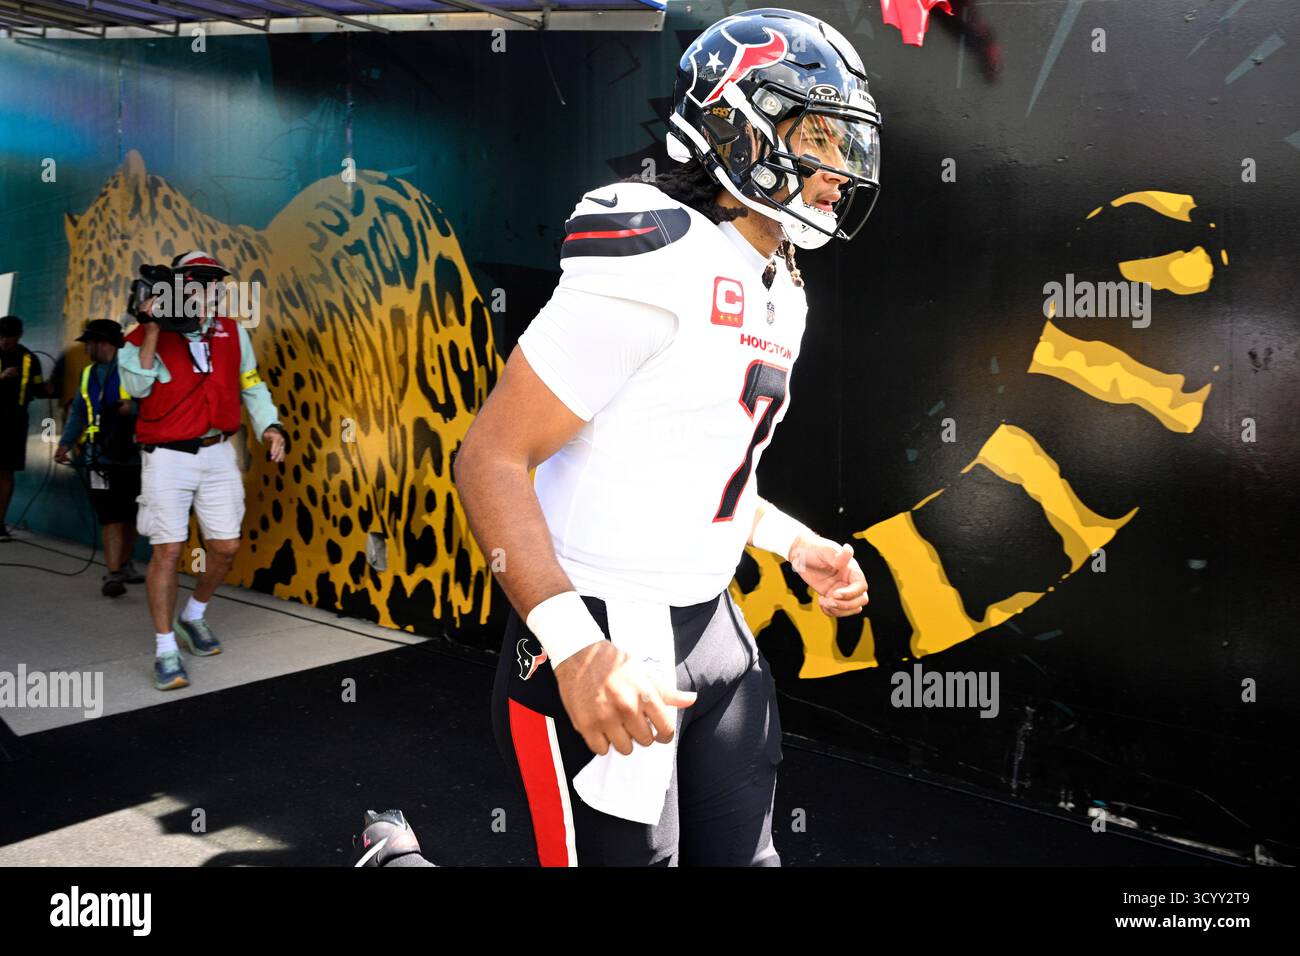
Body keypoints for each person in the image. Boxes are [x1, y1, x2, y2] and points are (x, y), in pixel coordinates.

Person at [455, 8, 882, 866]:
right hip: (604, 627)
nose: (842, 165)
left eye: (848, 140)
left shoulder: (780, 285)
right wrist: (575, 651)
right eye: (820, 135)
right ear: (736, 121)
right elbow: (490, 459)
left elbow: (690, 463)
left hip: (715, 631)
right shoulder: (655, 253)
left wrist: (794, 543)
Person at [117, 250, 288, 691]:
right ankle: (165, 649)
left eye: (214, 281)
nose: (207, 287)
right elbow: (135, 386)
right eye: (196, 279)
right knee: (168, 552)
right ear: (178, 285)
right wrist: (152, 328)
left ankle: (194, 615)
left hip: (217, 452)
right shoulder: (141, 333)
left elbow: (250, 382)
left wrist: (269, 424)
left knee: (226, 546)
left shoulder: (232, 331)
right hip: (166, 456)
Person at [55, 319, 146, 597]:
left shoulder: (133, 369)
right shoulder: (87, 375)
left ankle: (125, 564)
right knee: (110, 516)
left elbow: (157, 402)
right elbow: (78, 414)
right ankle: (113, 573)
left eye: (89, 343)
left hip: (133, 455)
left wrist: (133, 408)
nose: (86, 348)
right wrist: (65, 443)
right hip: (99, 457)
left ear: (102, 343)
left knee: (131, 515)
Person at [0, 314, 54, 541]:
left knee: (5, 472)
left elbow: (39, 389)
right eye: (1, 336)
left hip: (14, 422)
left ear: (19, 335)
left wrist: (52, 388)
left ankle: (0, 522)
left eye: (9, 337)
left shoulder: (29, 359)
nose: (4, 341)